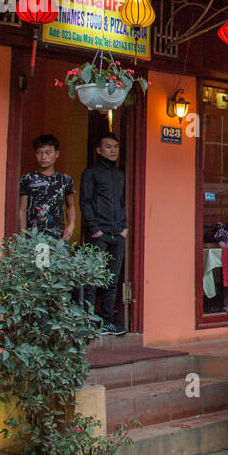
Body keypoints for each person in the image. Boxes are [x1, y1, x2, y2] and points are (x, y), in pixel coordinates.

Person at [81, 133, 128, 336]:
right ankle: (89, 321)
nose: (113, 150)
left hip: (118, 234)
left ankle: (108, 321)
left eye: (116, 146)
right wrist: (94, 229)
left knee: (112, 280)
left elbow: (124, 202)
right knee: (93, 279)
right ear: (98, 150)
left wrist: (125, 228)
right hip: (99, 233)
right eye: (108, 146)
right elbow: (85, 202)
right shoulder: (90, 173)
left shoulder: (120, 174)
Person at [18, 133, 74, 242]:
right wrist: (22, 235)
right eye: (39, 153)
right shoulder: (27, 179)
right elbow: (22, 209)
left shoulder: (65, 179)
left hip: (58, 237)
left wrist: (71, 225)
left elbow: (70, 206)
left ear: (56, 154)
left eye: (48, 153)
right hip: (33, 236)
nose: (43, 157)